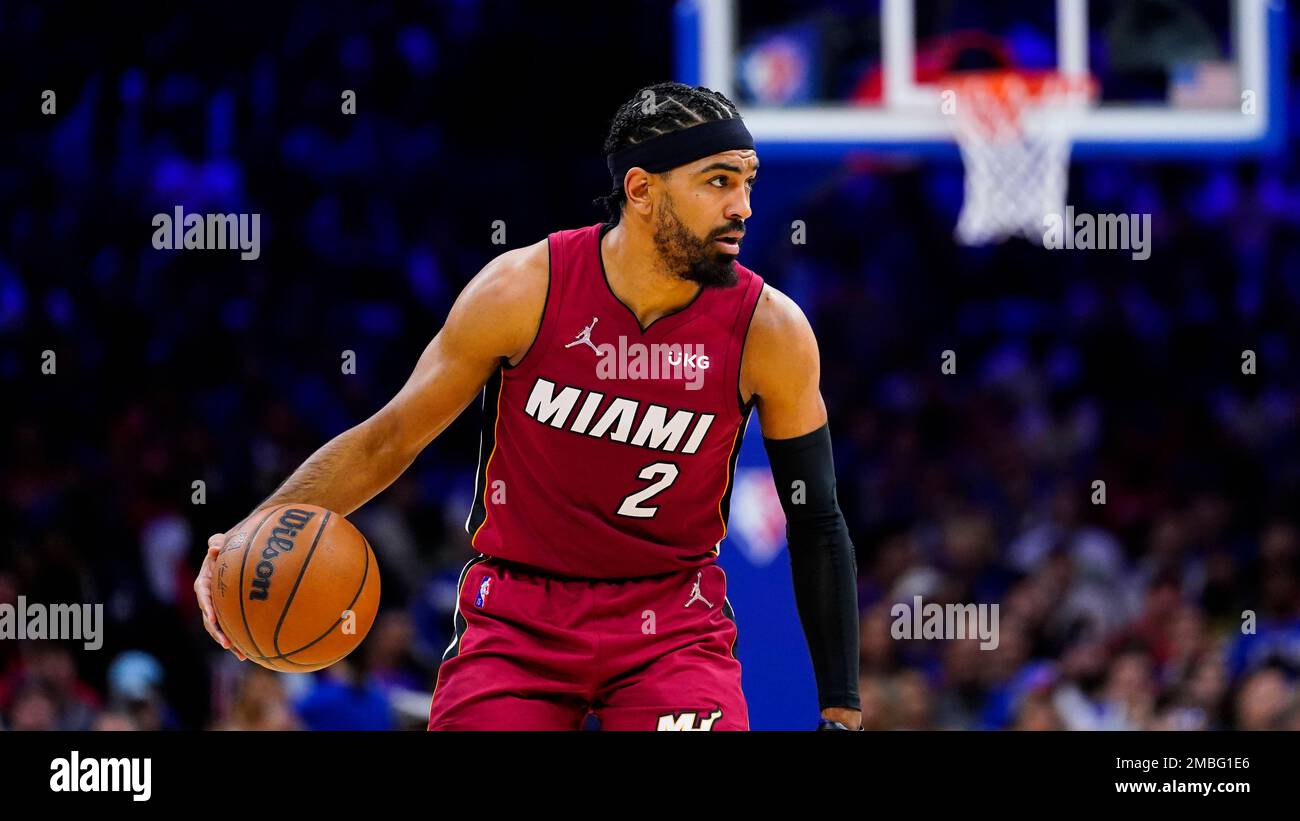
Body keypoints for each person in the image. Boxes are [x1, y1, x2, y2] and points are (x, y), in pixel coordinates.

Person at [194, 82, 861, 731]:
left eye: (747, 180)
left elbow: (815, 518)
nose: (743, 205)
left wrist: (840, 708)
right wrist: (251, 531)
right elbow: (387, 439)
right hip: (519, 614)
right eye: (719, 181)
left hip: (672, 619)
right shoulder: (523, 290)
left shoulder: (771, 331)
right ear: (641, 189)